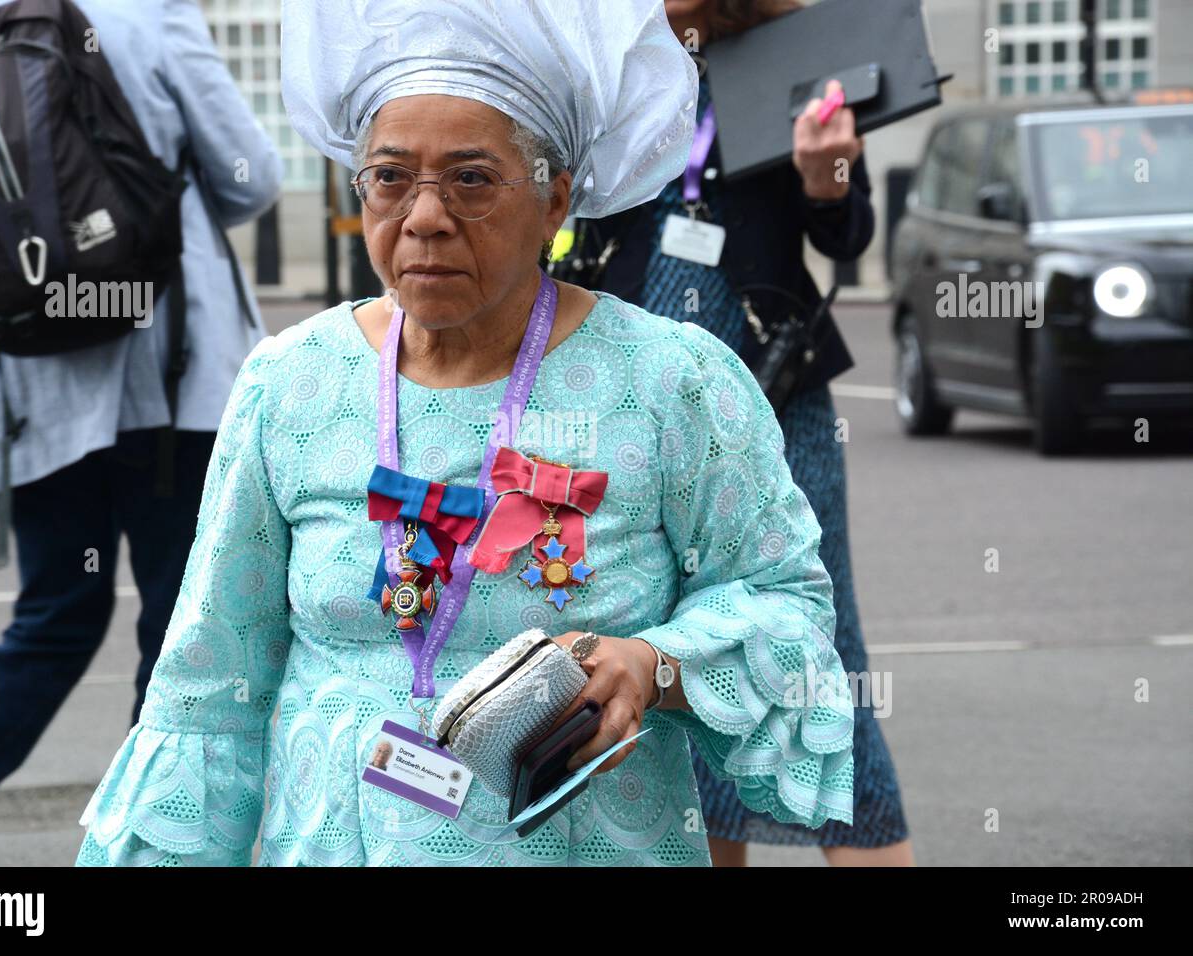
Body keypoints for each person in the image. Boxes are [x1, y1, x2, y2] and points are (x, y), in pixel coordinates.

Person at [74, 0, 857, 867]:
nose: (424, 216)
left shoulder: (674, 382)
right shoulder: (290, 383)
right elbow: (207, 693)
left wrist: (652, 664)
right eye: (390, 177)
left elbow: (786, 604)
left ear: (558, 196)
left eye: (472, 179)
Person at [0, 0, 281, 867]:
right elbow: (251, 180)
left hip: (36, 397)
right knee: (184, 631)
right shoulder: (149, 18)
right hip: (174, 382)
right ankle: (152, 845)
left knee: (52, 622)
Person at [571, 0, 914, 866]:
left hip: (773, 383)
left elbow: (849, 231)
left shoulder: (798, 49)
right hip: (632, 393)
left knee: (815, 648)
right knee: (666, 642)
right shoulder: (615, 58)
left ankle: (863, 830)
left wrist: (827, 176)